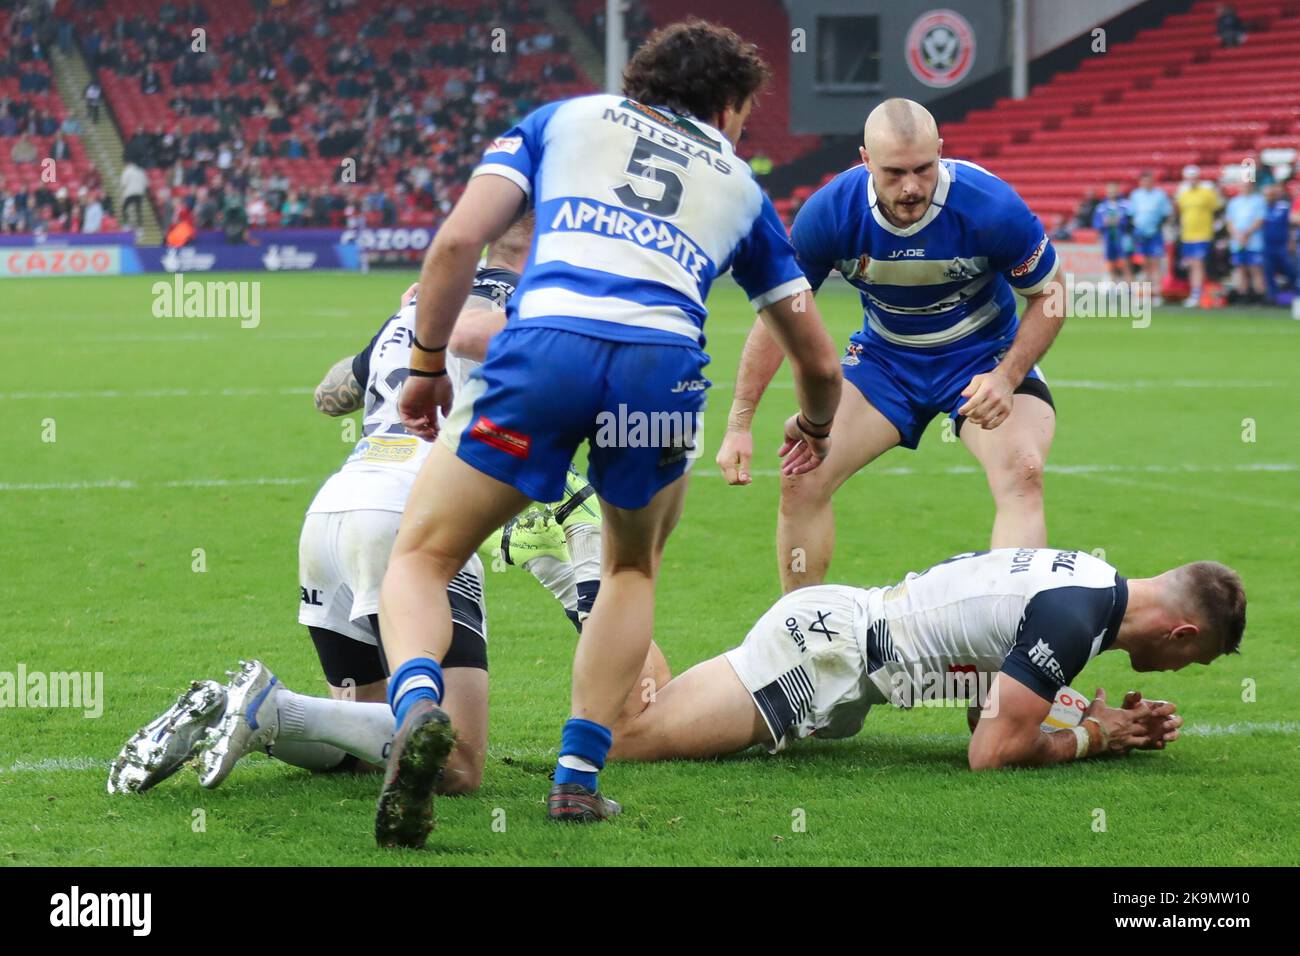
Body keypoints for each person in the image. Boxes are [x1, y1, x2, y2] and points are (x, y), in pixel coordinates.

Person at [376, 19, 842, 844]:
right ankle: (577, 779)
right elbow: (816, 356)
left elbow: (456, 241)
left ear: (640, 83)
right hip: (658, 369)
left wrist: (425, 367)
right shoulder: (740, 184)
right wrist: (812, 423)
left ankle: (416, 708)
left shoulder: (562, 120)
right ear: (730, 105)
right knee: (631, 567)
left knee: (424, 554)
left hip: (547, 348)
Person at [108, 255, 668, 796]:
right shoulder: (543, 306)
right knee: (456, 764)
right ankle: (271, 708)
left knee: (355, 744)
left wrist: (396, 333)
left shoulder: (422, 307)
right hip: (419, 513)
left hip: (333, 510)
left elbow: (329, 397)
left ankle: (250, 713)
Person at [718, 98, 1063, 598]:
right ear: (864, 160)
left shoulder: (989, 204)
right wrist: (738, 422)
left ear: (941, 152)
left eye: (924, 169)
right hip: (885, 360)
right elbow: (780, 316)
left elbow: (1051, 295)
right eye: (894, 172)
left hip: (984, 358)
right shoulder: (829, 213)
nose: (911, 187)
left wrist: (1007, 377)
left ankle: (1010, 652)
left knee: (1023, 472)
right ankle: (798, 640)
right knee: (801, 478)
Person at [610, 549, 1245, 769]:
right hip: (824, 657)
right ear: (1183, 633)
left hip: (835, 637)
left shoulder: (1090, 581)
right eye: (1196, 660)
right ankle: (584, 563)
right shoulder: (1075, 619)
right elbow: (990, 751)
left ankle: (588, 569)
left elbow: (981, 696)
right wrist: (1092, 739)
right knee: (625, 741)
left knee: (644, 717)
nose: (1179, 673)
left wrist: (1077, 714)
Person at [1175, 165, 1221, 308]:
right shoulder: (1183, 194)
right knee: (1191, 265)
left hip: (1203, 234)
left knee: (1198, 264)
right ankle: (1195, 292)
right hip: (1187, 235)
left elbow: (1217, 209)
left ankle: (1197, 293)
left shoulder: (1207, 192)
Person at [1128, 171, 1172, 302]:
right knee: (1144, 264)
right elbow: (1131, 214)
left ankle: (1157, 293)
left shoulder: (1160, 195)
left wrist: (1156, 227)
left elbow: (1166, 214)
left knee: (1155, 263)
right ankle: (1145, 294)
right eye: (1144, 180)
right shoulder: (1136, 195)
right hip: (1140, 234)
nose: (1146, 183)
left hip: (1155, 234)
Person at [1225, 179, 1267, 304]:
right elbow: (1230, 221)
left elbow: (1260, 220)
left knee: (1255, 268)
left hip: (1254, 241)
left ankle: (1260, 295)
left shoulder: (1259, 201)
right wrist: (1237, 235)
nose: (1245, 188)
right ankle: (1243, 294)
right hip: (1237, 241)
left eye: (1247, 186)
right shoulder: (1234, 202)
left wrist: (1247, 233)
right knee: (1240, 268)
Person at [1260, 182, 1295, 305]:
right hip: (1267, 246)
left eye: (1271, 195)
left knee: (1291, 270)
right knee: (1269, 272)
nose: (1269, 197)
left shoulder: (1284, 207)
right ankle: (1272, 298)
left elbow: (1290, 225)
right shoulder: (1261, 208)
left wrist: (1291, 241)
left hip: (1282, 245)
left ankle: (1295, 296)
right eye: (1267, 195)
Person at [1092, 181, 1132, 283]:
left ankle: (1130, 288)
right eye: (1110, 190)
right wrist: (1104, 223)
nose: (1112, 192)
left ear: (1118, 191)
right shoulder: (1101, 207)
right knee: (1111, 265)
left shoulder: (1125, 205)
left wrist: (1121, 221)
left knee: (1125, 264)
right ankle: (1114, 287)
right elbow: (1096, 223)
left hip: (1122, 238)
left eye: (1114, 190)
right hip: (1108, 239)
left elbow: (1131, 220)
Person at [120, 161, 147, 227]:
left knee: (125, 208)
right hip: (139, 193)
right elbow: (145, 183)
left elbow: (123, 183)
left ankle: (126, 223)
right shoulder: (141, 171)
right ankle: (140, 225)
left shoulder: (127, 171)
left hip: (130, 193)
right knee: (138, 209)